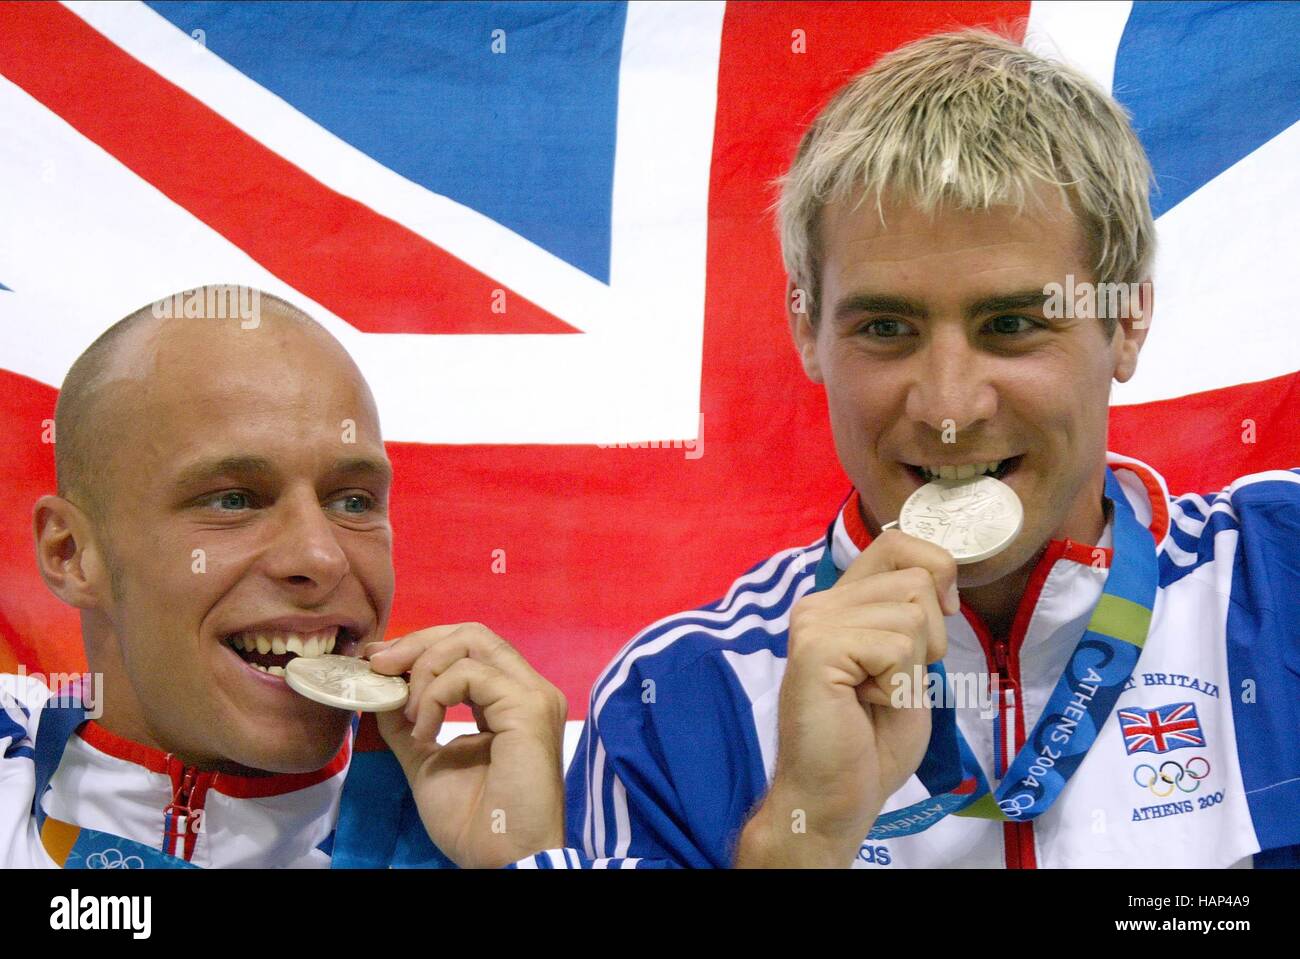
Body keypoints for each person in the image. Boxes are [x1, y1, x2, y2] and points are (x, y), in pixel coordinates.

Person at [563, 28, 1300, 868]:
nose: (949, 407)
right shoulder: (672, 709)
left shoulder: (1282, 579)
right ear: (807, 331)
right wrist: (801, 831)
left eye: (1013, 324)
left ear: (1127, 319)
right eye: (885, 328)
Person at [2, 287, 568, 868]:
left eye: (352, 502)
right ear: (70, 553)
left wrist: (522, 862)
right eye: (233, 500)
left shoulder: (516, 824)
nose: (322, 558)